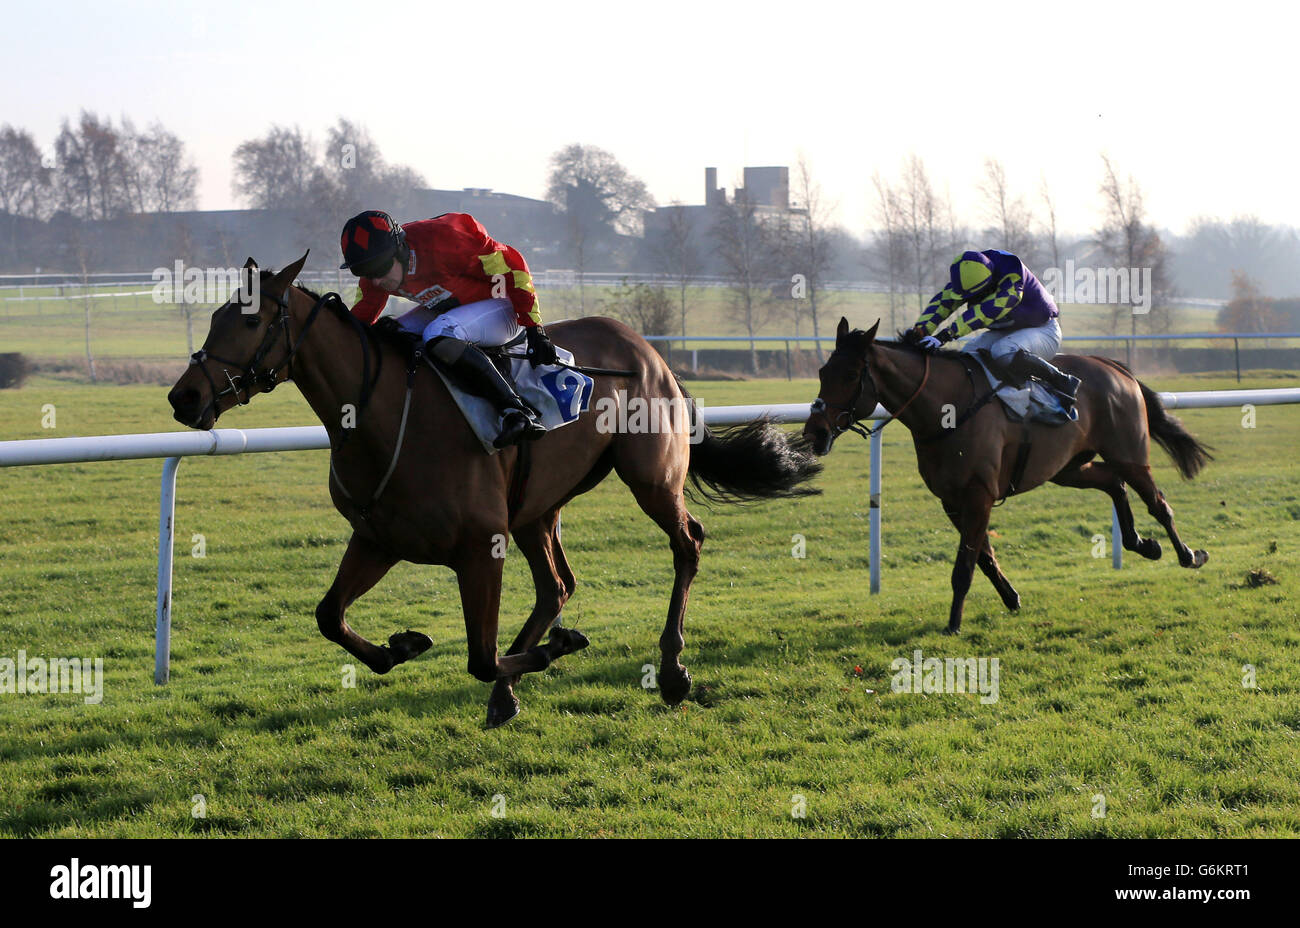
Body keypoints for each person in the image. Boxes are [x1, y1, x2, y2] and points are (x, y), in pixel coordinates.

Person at [339, 209, 558, 448]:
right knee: (391, 334)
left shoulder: (445, 239)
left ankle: (516, 411)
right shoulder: (376, 274)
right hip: (453, 309)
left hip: (503, 306)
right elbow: (359, 321)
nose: (375, 281)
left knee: (438, 333)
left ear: (399, 249)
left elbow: (514, 265)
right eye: (364, 272)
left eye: (379, 269)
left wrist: (534, 327)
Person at [904, 249, 1081, 411]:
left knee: (1002, 350)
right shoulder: (970, 274)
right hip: (1010, 333)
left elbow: (984, 312)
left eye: (974, 296)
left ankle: (1062, 381)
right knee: (968, 355)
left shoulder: (1011, 278)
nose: (969, 300)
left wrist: (945, 335)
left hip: (1044, 331)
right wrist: (919, 331)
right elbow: (941, 304)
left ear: (988, 285)